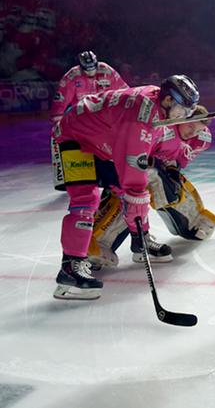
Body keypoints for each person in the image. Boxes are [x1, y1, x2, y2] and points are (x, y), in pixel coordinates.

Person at [51, 75, 199, 299]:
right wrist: (136, 194)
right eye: (182, 110)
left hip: (101, 141)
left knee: (127, 189)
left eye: (189, 112)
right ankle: (70, 269)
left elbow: (154, 145)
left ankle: (140, 241)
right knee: (87, 199)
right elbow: (133, 165)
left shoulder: (157, 105)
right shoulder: (140, 115)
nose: (183, 117)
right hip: (74, 137)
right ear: (168, 100)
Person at [50, 50, 128, 124]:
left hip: (104, 115)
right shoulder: (72, 76)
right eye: (87, 69)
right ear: (81, 67)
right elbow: (61, 98)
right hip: (81, 116)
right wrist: (57, 116)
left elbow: (124, 90)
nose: (91, 72)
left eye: (93, 68)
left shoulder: (107, 71)